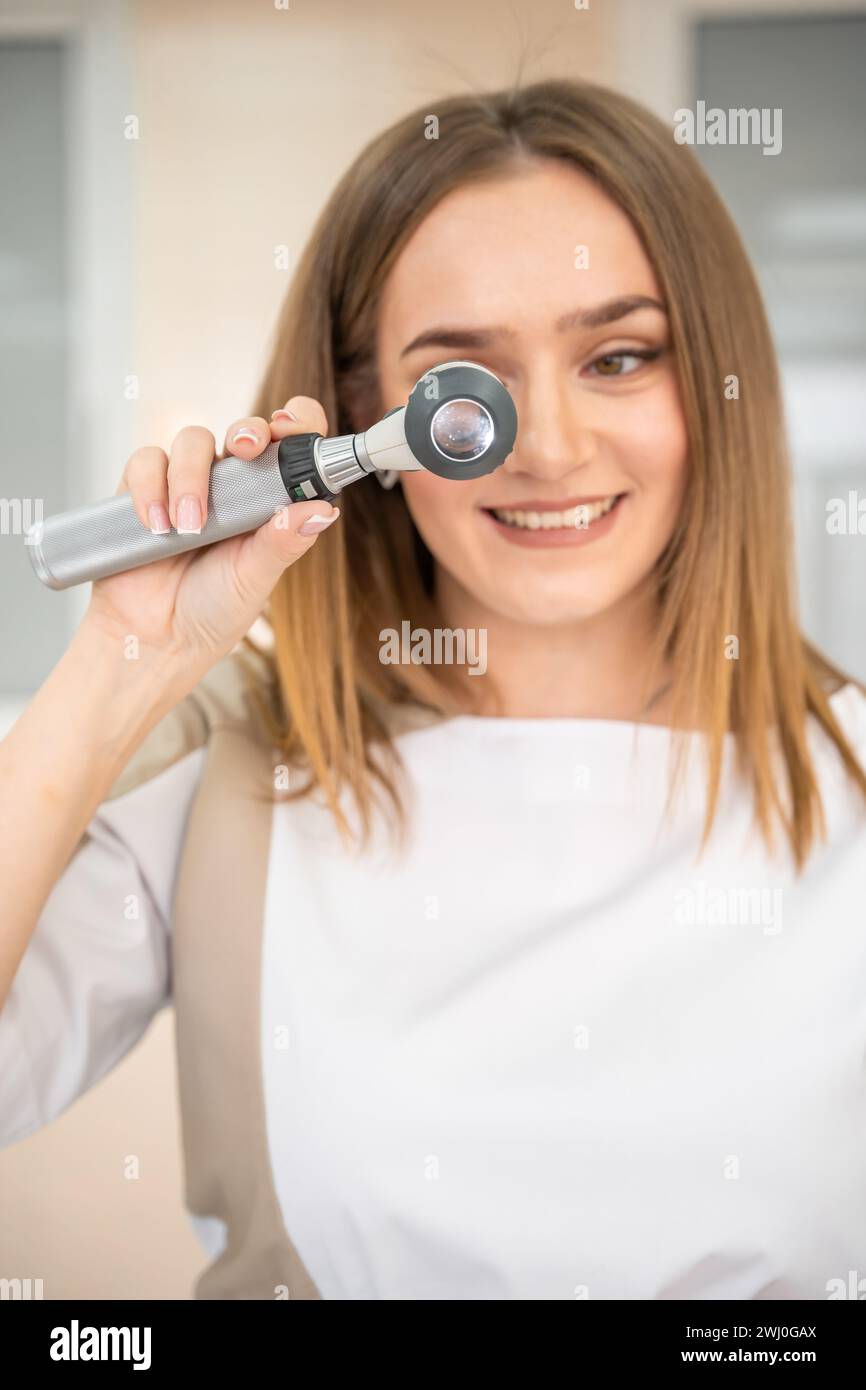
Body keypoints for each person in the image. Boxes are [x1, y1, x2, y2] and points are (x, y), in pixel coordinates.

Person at [2, 77, 865, 1301]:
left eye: (618, 356)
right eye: (464, 384)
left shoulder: (852, 779)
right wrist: (117, 669)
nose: (549, 447)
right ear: (367, 422)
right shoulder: (228, 775)